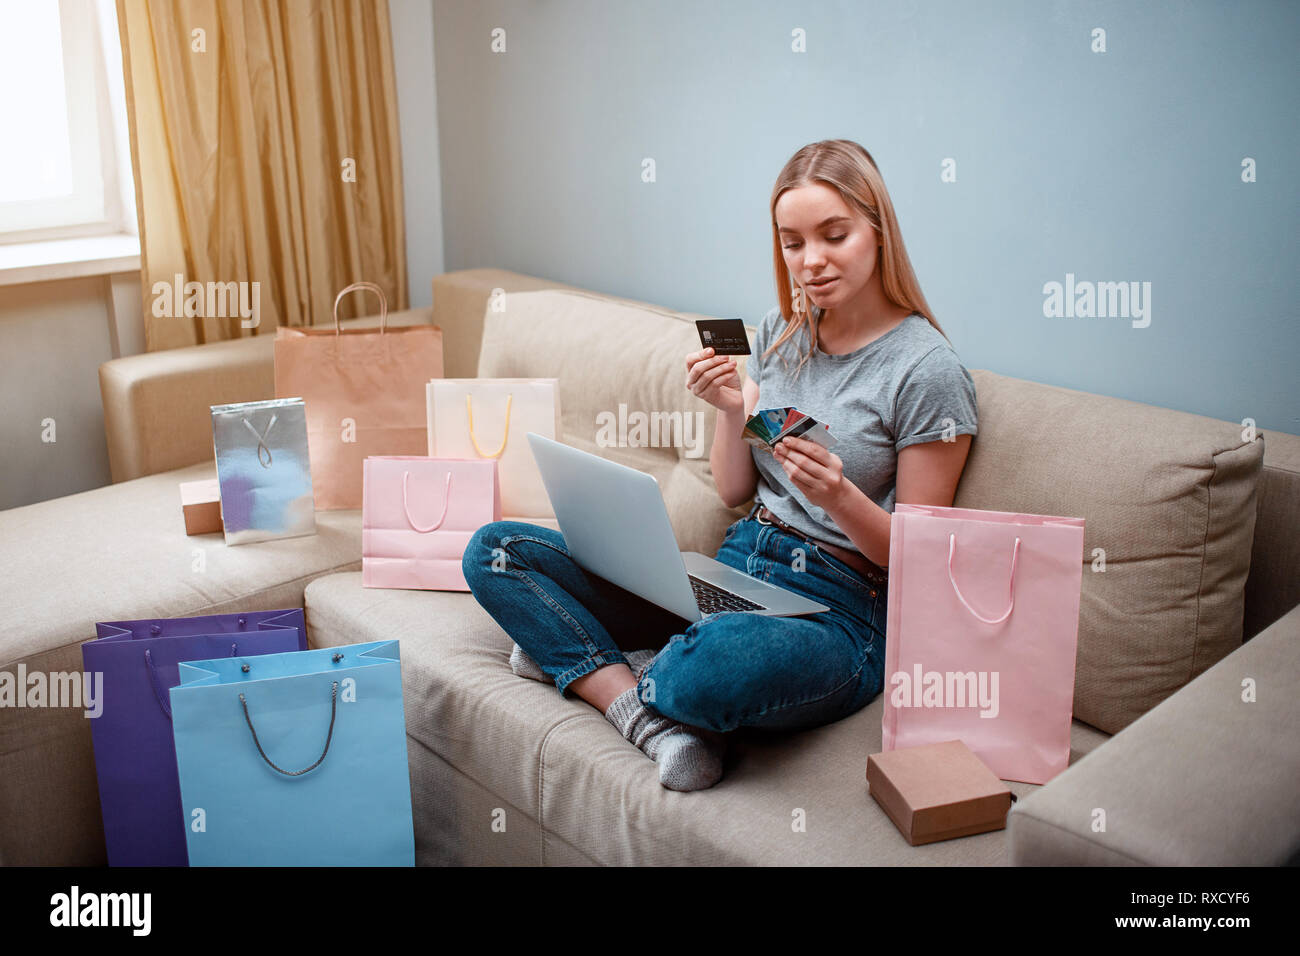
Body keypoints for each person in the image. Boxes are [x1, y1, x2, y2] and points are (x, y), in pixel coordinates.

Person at [462, 139, 978, 792]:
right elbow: (736, 489)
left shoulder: (926, 370)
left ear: (878, 232)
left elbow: (923, 564)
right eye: (793, 242)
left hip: (836, 612)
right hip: (731, 568)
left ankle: (589, 659)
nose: (811, 261)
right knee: (496, 550)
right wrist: (731, 410)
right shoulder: (782, 334)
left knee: (708, 669)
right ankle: (640, 709)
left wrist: (841, 496)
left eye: (834, 235)